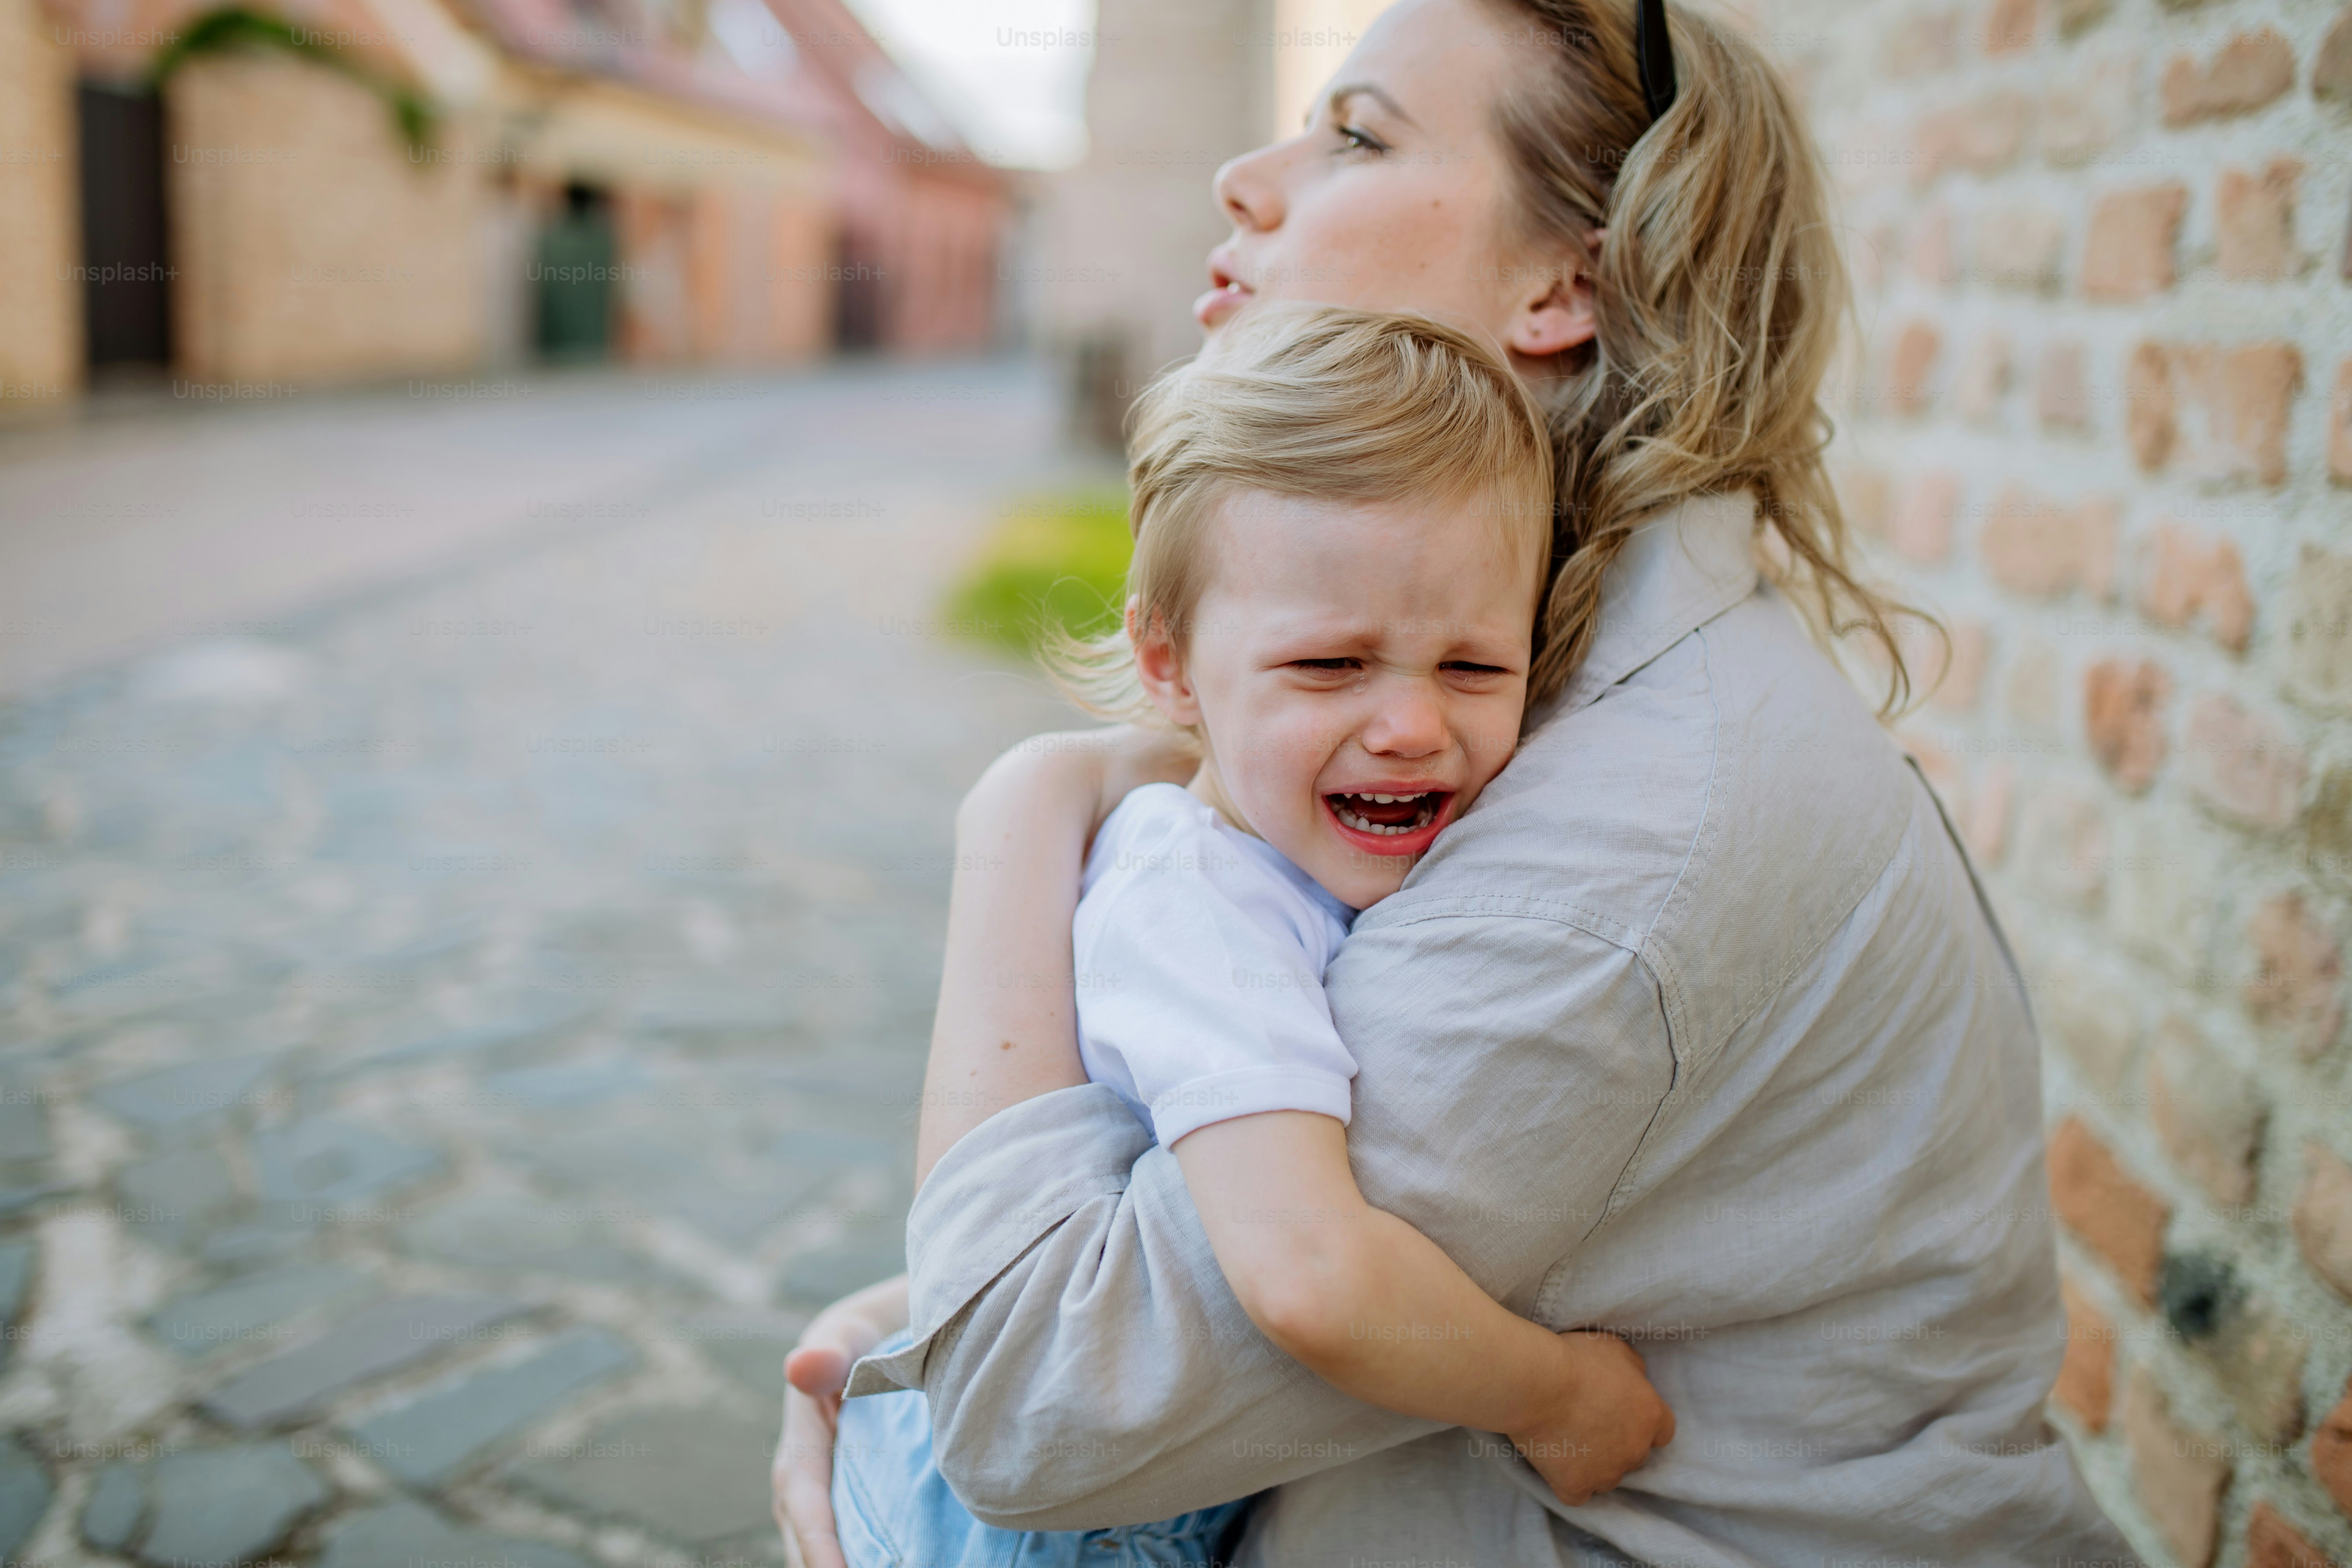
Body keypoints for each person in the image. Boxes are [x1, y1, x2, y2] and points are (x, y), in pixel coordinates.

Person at [779, 0, 2142, 1561]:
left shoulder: (1619, 845)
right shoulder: (1539, 680)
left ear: (1569, 282)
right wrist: (892, 1321)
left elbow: (1019, 1405)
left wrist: (1025, 804)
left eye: (1355, 133)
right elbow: (1210, 1196)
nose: (1245, 174)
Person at [824, 307, 1676, 1567]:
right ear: (1168, 666)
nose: (1407, 724)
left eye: (1474, 668)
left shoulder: (1295, 850)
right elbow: (1308, 1276)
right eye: (1332, 665)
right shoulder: (1202, 913)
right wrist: (1556, 1396)